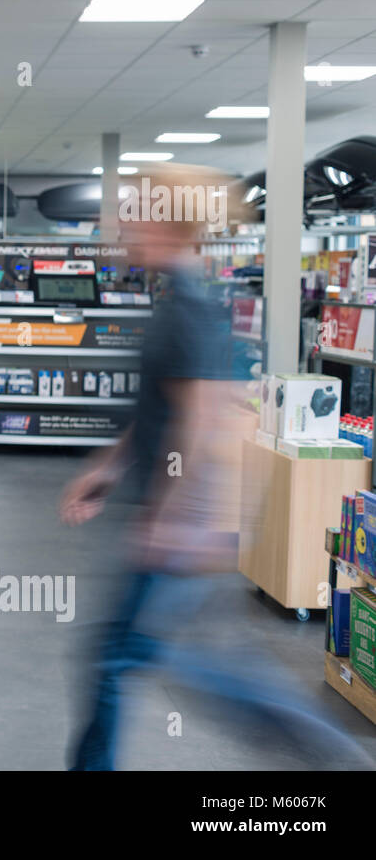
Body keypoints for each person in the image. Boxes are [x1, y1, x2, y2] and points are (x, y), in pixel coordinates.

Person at [60, 163, 368, 770]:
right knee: (162, 660)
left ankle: (331, 752)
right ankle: (327, 749)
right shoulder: (180, 298)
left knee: (132, 661)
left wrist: (167, 516)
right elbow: (164, 410)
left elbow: (196, 424)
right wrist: (109, 468)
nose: (121, 223)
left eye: (133, 211)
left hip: (183, 526)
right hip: (187, 523)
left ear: (166, 223)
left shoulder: (187, 308)